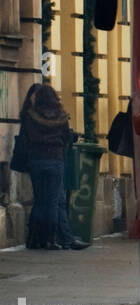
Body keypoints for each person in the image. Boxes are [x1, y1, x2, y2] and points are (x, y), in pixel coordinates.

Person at [19, 84, 87, 250]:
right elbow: (65, 138)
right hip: (55, 160)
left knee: (39, 201)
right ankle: (50, 239)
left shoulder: (30, 116)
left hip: (36, 160)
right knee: (52, 202)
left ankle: (36, 239)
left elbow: (25, 137)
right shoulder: (61, 117)